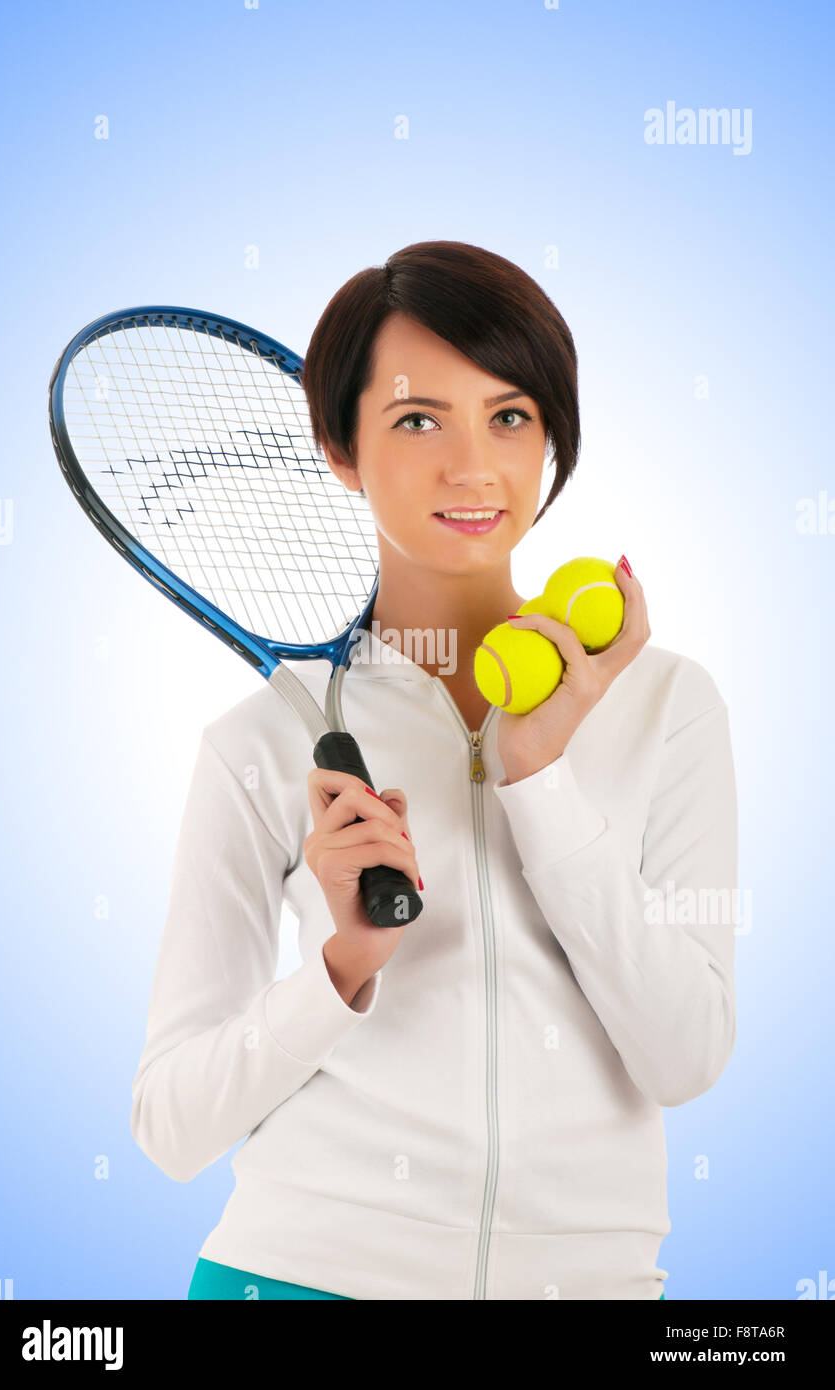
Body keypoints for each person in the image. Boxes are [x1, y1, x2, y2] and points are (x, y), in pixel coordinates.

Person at [131, 240, 737, 1301]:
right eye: (417, 420)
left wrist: (535, 780)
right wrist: (342, 967)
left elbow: (683, 1056)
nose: (472, 466)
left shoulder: (666, 706)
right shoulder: (257, 744)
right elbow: (171, 1125)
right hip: (298, 1277)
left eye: (510, 416)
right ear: (339, 446)